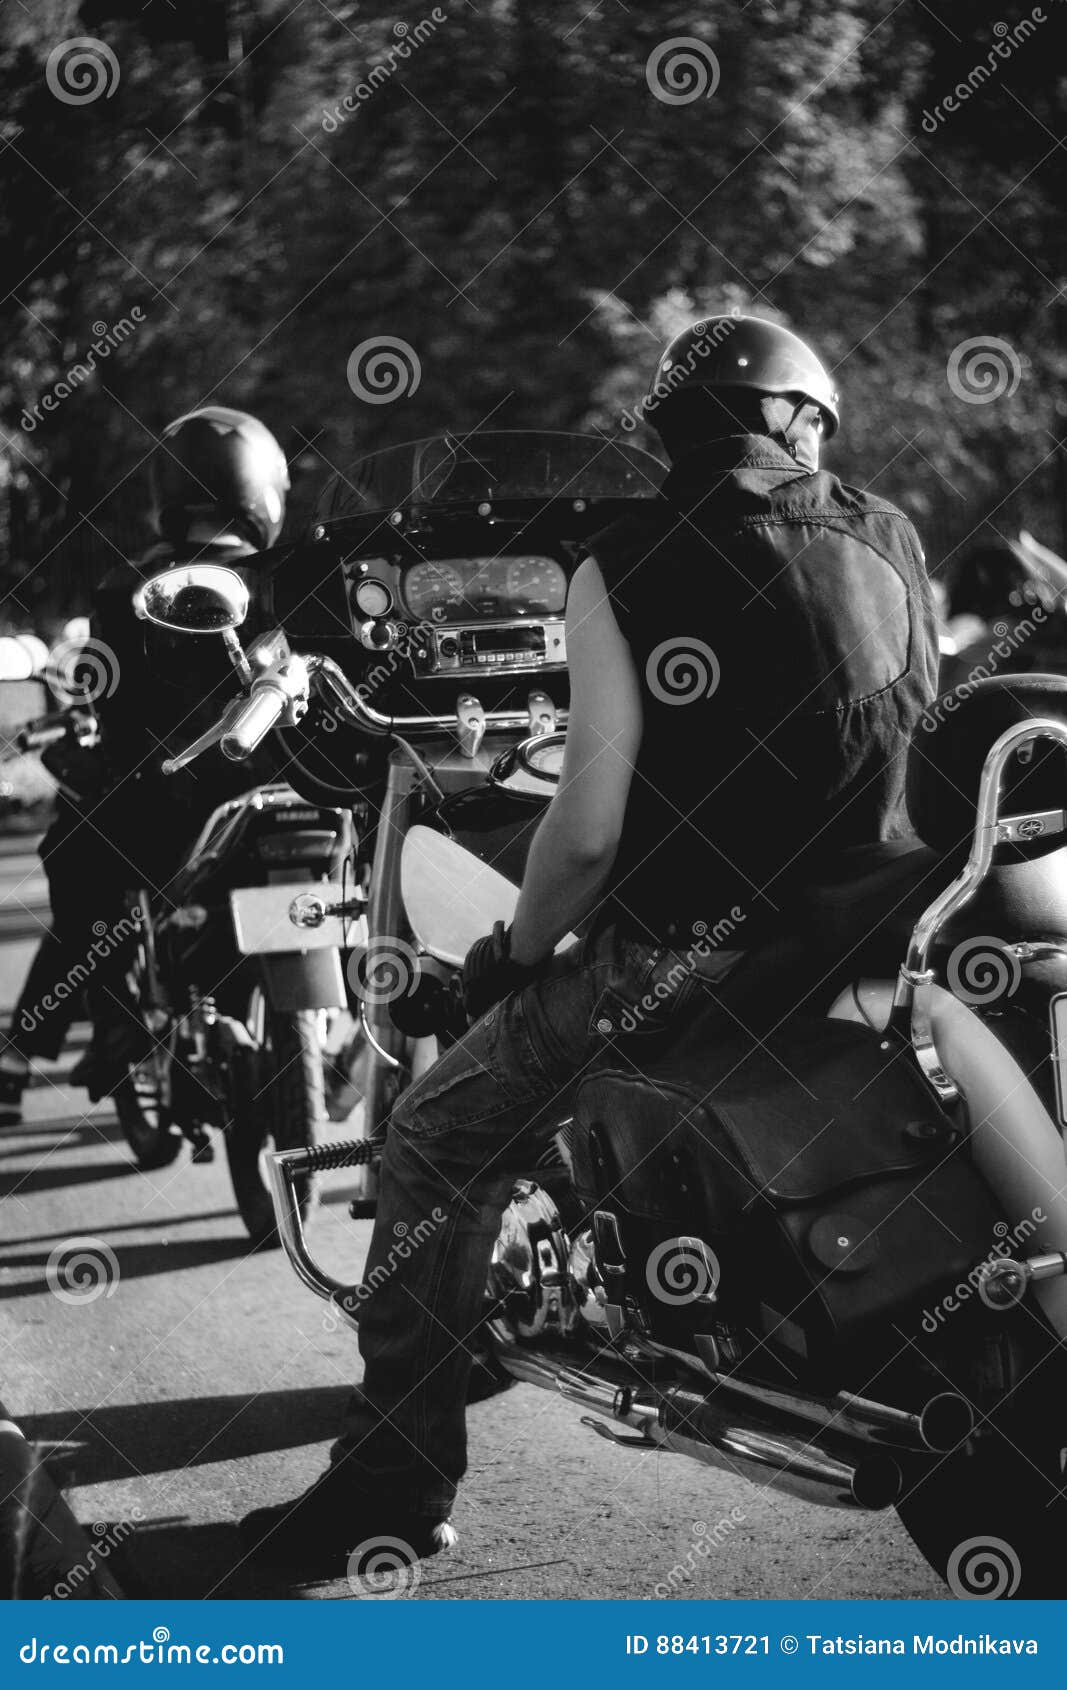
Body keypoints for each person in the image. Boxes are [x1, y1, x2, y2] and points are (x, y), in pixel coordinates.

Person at [240, 315, 942, 1579]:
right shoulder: (887, 534)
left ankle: (388, 1486)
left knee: (432, 1141)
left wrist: (513, 952)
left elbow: (581, 835)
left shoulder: (624, 555)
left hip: (698, 958)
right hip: (886, 926)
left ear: (669, 435)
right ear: (804, 417)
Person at [0, 406, 289, 1120]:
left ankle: (112, 1025)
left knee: (77, 855)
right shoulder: (290, 575)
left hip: (161, 808)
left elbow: (112, 711)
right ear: (263, 486)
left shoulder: (124, 589)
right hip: (280, 793)